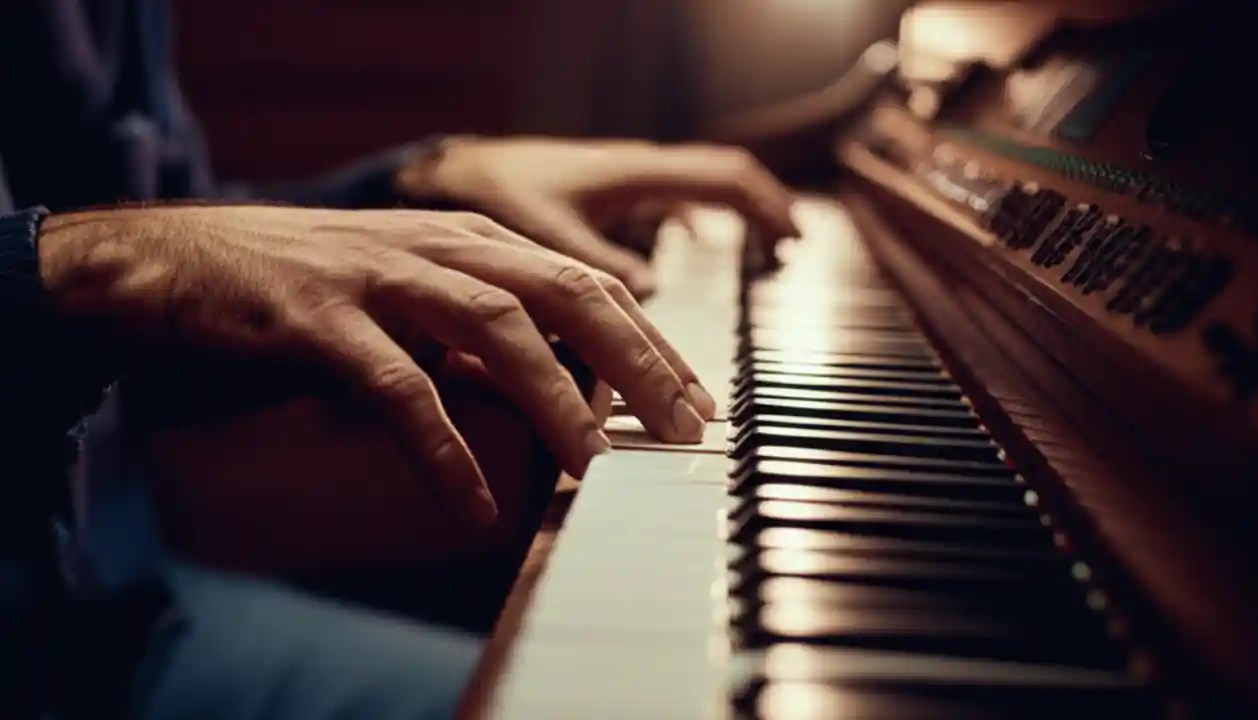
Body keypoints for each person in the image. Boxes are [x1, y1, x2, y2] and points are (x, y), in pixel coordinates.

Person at [0, 2, 799, 719]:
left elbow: (167, 264)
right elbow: (119, 261)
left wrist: (423, 184)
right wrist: (88, 269)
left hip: (111, 611)